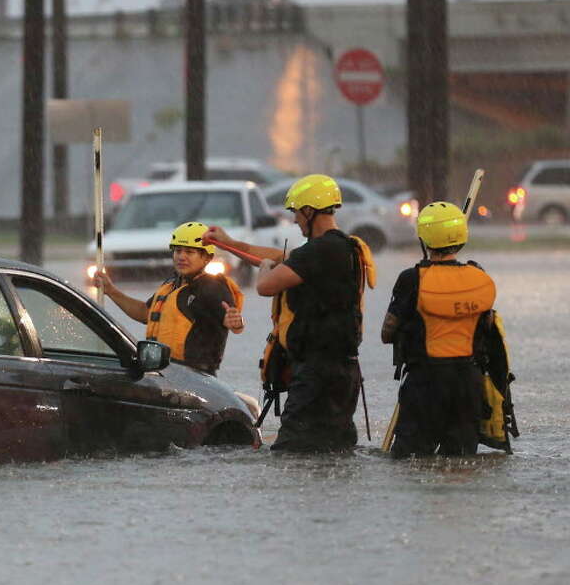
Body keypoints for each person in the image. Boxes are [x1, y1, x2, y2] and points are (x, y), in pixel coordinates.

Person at [204, 174, 375, 452]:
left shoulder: (319, 252)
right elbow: (274, 259)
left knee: (291, 452)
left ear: (309, 210)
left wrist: (262, 271)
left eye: (296, 212)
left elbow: (265, 285)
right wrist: (228, 243)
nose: (295, 219)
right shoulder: (340, 248)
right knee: (335, 449)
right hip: (342, 371)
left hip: (317, 375)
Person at [380, 201, 497, 457]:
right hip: (468, 383)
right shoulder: (479, 277)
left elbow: (387, 333)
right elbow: (487, 327)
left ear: (425, 238)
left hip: (426, 383)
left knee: (410, 461)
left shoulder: (412, 279)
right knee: (460, 463)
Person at [93, 221, 245, 376]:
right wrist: (111, 290)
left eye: (189, 252)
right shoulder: (171, 285)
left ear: (207, 258)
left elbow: (233, 321)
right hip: (164, 371)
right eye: (178, 251)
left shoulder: (213, 287)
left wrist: (235, 323)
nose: (181, 257)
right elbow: (144, 313)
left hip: (196, 375)